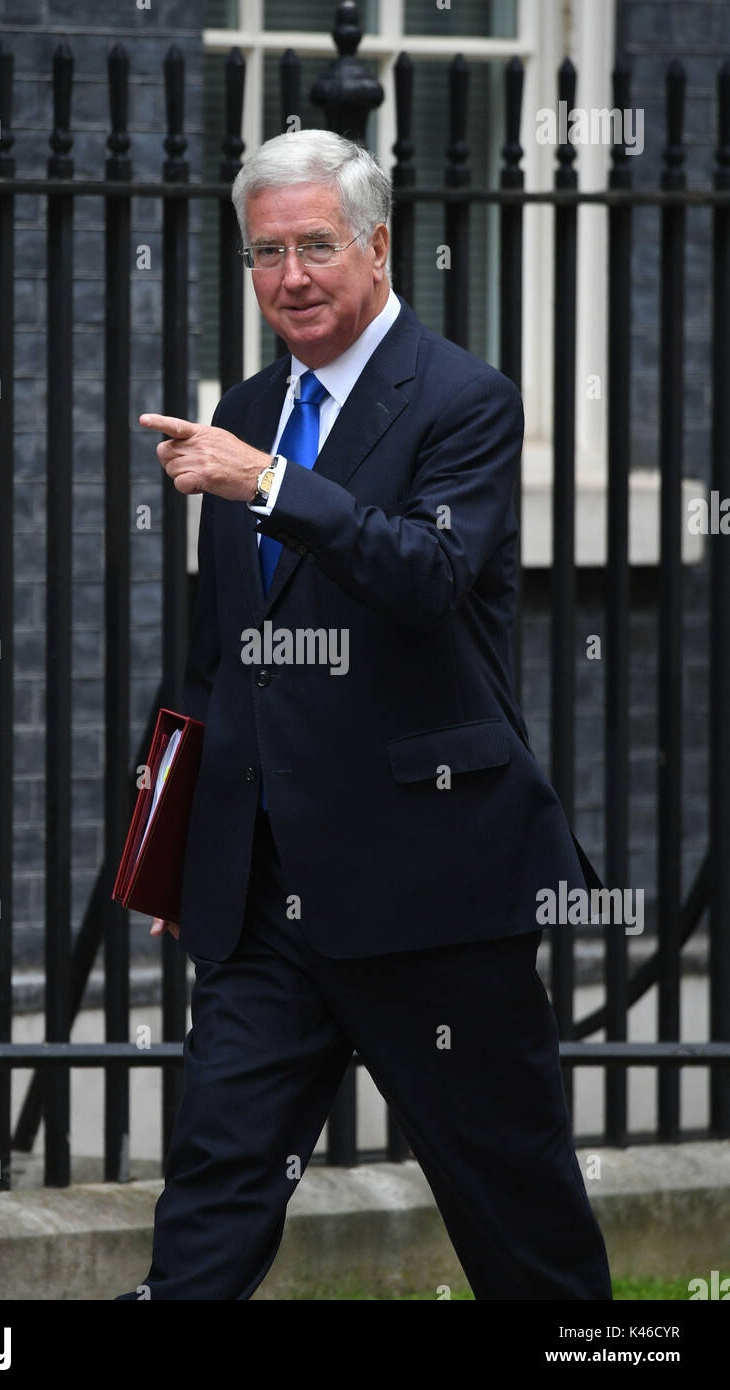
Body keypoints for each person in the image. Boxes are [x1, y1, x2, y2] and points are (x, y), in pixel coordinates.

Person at [116, 129, 612, 1300]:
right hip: (264, 899)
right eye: (266, 251)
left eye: (317, 248)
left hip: (433, 889)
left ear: (379, 249)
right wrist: (174, 845)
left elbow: (428, 576)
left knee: (519, 1218)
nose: (290, 276)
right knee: (212, 1194)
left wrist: (272, 485)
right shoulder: (244, 410)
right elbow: (217, 659)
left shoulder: (467, 401)